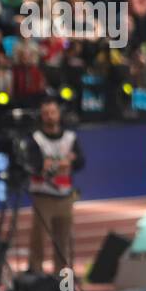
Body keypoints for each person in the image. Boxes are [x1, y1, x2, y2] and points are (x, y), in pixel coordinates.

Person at [25, 98, 84, 277]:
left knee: (63, 243)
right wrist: (63, 163)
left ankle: (64, 286)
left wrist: (53, 165)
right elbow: (35, 165)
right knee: (38, 241)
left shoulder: (70, 138)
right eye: (46, 113)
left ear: (59, 115)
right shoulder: (36, 139)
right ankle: (36, 279)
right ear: (41, 117)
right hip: (43, 196)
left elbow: (80, 161)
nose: (50, 117)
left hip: (65, 196)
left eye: (53, 112)